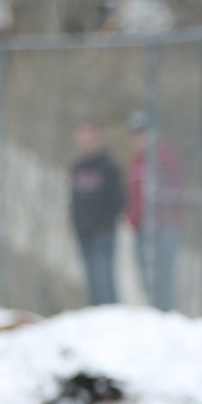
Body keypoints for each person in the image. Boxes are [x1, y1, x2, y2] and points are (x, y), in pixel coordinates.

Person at [125, 110, 186, 311]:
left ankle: (164, 315)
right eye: (135, 134)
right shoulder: (135, 162)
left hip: (165, 227)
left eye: (142, 133)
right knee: (146, 277)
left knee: (164, 278)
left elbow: (177, 188)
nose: (138, 139)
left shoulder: (164, 156)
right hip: (142, 229)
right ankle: (153, 313)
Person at [68, 120, 125, 306]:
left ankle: (112, 317)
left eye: (90, 138)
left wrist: (105, 224)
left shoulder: (108, 167)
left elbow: (118, 199)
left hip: (103, 234)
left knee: (105, 281)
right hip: (83, 233)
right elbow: (74, 200)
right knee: (91, 283)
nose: (86, 142)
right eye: (83, 138)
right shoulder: (77, 166)